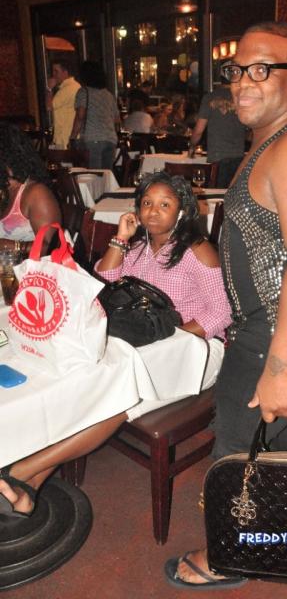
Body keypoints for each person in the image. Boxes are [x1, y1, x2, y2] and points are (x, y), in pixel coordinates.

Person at [164, 21, 287, 589]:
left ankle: (231, 554)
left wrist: (279, 367)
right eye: (237, 70)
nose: (242, 82)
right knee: (280, 436)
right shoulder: (277, 137)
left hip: (282, 332)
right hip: (277, 325)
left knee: (236, 442)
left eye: (261, 69)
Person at [0, 172, 231, 518]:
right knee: (92, 382)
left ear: (182, 210)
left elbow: (222, 311)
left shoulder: (197, 249)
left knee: (116, 399)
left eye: (164, 204)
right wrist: (121, 238)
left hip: (196, 350)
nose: (153, 211)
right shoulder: (139, 247)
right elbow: (102, 280)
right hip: (144, 345)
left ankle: (19, 473)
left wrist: (173, 340)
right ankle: (28, 487)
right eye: (147, 203)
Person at [0, 122, 61, 255]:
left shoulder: (36, 193)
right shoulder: (4, 190)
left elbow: (50, 247)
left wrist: (9, 245)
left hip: (29, 266)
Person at [188, 80, 247, 187]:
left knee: (217, 194)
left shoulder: (209, 97)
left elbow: (198, 131)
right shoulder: (242, 97)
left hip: (217, 158)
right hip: (239, 158)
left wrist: (192, 146)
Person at [69, 61, 120, 170]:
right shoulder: (109, 95)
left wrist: (72, 137)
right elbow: (116, 119)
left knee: (94, 175)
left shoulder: (83, 92)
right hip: (110, 140)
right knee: (106, 175)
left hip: (93, 140)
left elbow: (80, 116)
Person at [45, 60, 80, 149]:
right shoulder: (76, 86)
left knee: (58, 157)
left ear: (65, 72)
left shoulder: (67, 89)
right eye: (53, 71)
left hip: (63, 138)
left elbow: (49, 106)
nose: (54, 75)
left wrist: (49, 89)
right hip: (71, 136)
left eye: (56, 71)